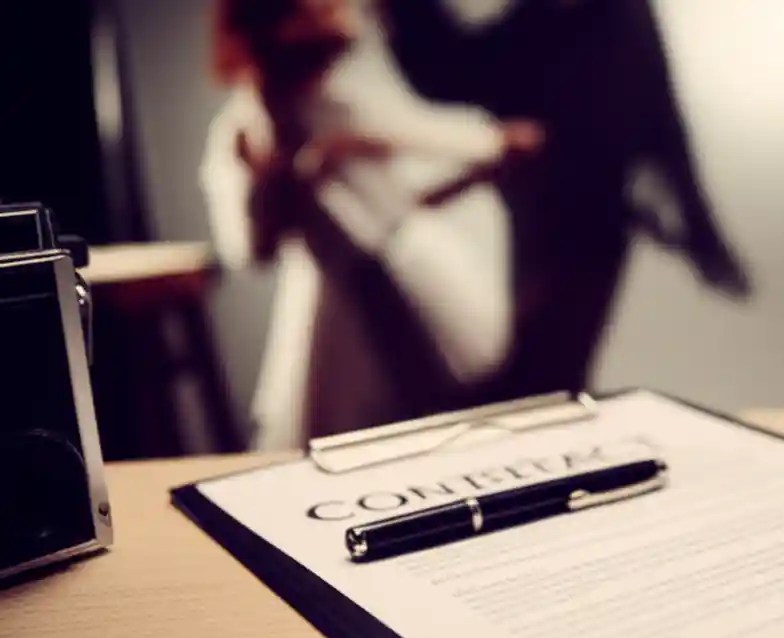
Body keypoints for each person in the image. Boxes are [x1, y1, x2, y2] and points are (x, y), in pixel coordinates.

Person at [201, 0, 542, 448]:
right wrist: (276, 176)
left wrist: (485, 150)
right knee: (346, 435)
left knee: (446, 421)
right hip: (334, 305)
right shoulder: (244, 134)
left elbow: (411, 174)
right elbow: (253, 249)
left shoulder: (338, 111)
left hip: (405, 276)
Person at [379, 0, 753, 398]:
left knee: (544, 382)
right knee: (537, 381)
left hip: (582, 220)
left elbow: (468, 77)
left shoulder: (605, 23)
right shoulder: (545, 21)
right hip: (563, 216)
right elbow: (459, 73)